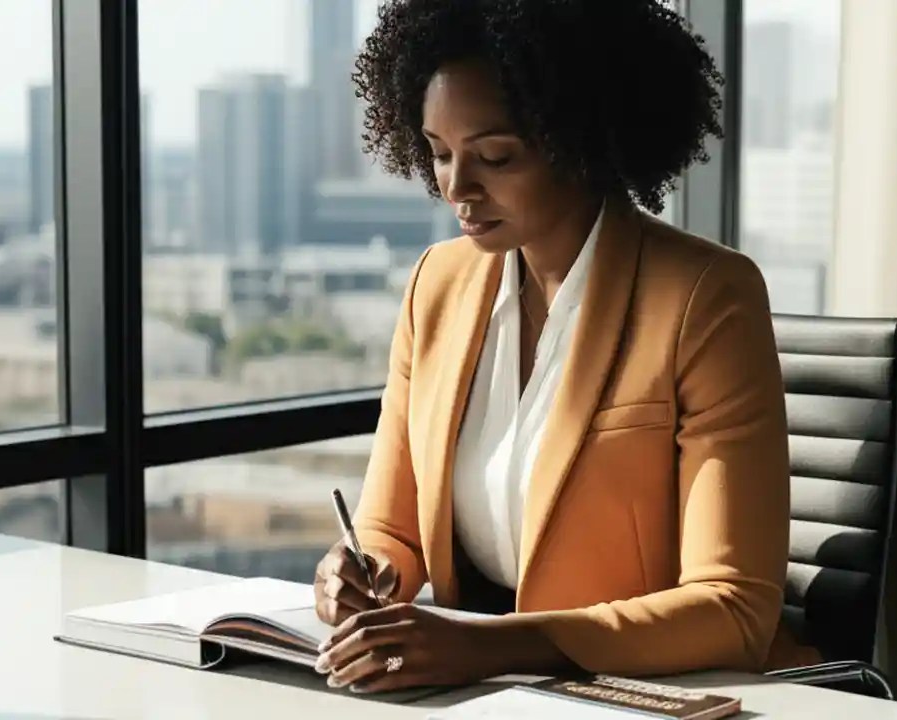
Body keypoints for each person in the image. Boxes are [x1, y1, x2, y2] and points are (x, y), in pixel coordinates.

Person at [310, 0, 816, 695]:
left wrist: (488, 648)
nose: (456, 186)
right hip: (473, 694)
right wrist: (360, 570)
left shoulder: (704, 298)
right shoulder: (437, 286)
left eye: (496, 156)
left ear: (578, 138)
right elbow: (390, 531)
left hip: (647, 695)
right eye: (439, 152)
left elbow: (733, 608)